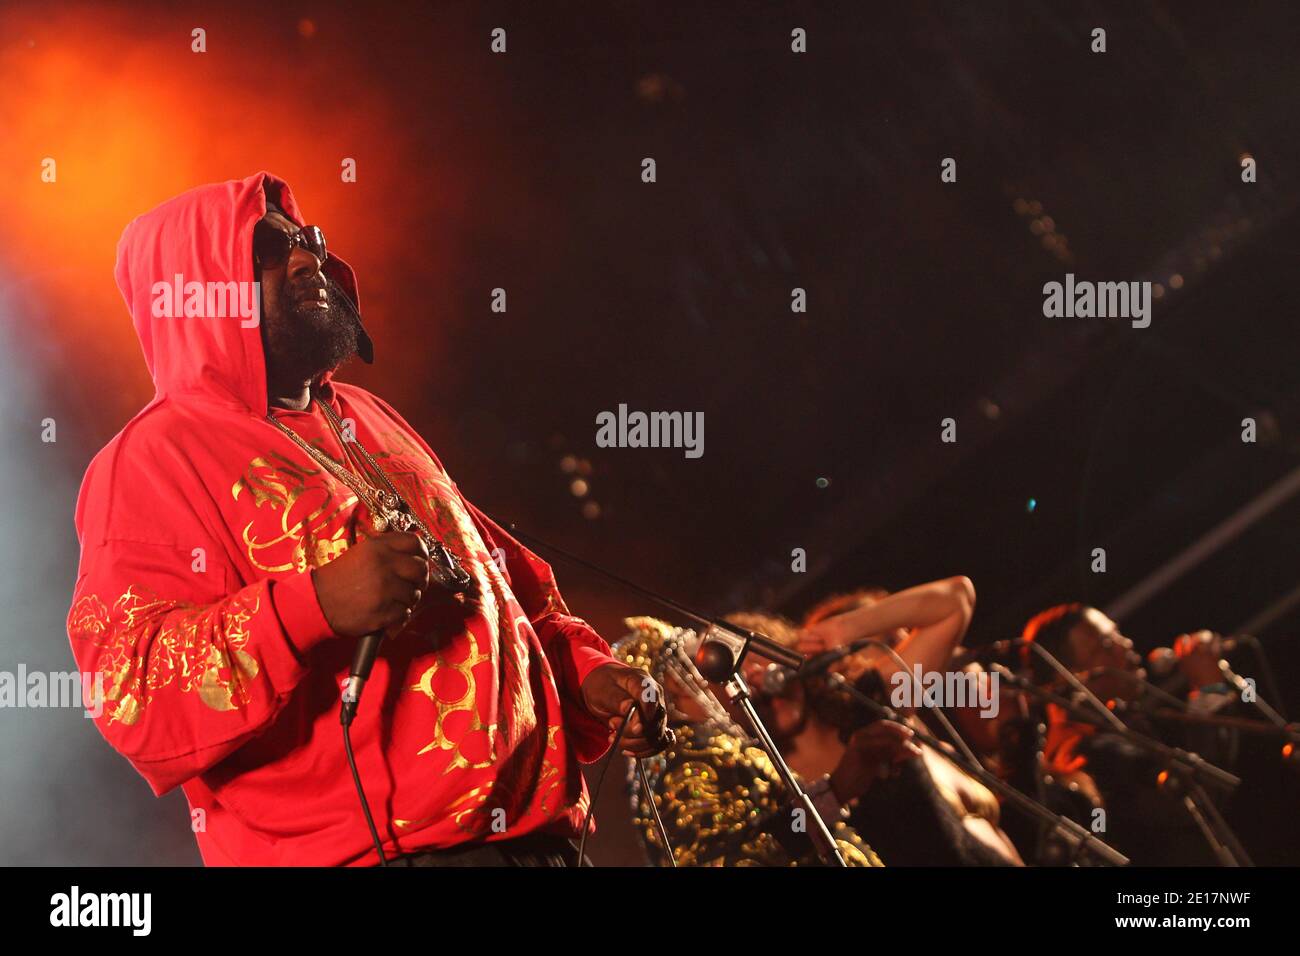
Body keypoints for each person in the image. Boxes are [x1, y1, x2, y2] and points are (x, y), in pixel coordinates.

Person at [66, 172, 670, 866]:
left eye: (308, 241)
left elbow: (500, 585)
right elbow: (131, 689)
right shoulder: (151, 458)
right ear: (193, 286)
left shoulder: (365, 416)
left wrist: (584, 674)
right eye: (268, 248)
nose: (307, 259)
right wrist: (314, 605)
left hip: (540, 842)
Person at [615, 616, 908, 866]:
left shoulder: (708, 744)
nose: (735, 670)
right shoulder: (681, 756)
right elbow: (737, 859)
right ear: (677, 683)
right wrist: (836, 791)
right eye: (706, 661)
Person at [797, 580, 1024, 865]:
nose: (908, 648)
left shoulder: (921, 727)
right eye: (891, 642)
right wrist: (845, 628)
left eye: (909, 636)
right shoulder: (872, 710)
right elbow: (956, 599)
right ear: (841, 659)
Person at [1015, 603, 1243, 865]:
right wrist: (1209, 690)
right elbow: (1191, 805)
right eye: (1107, 643)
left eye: (1118, 634)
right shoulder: (1084, 753)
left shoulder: (1121, 723)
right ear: (1066, 678)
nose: (1126, 644)